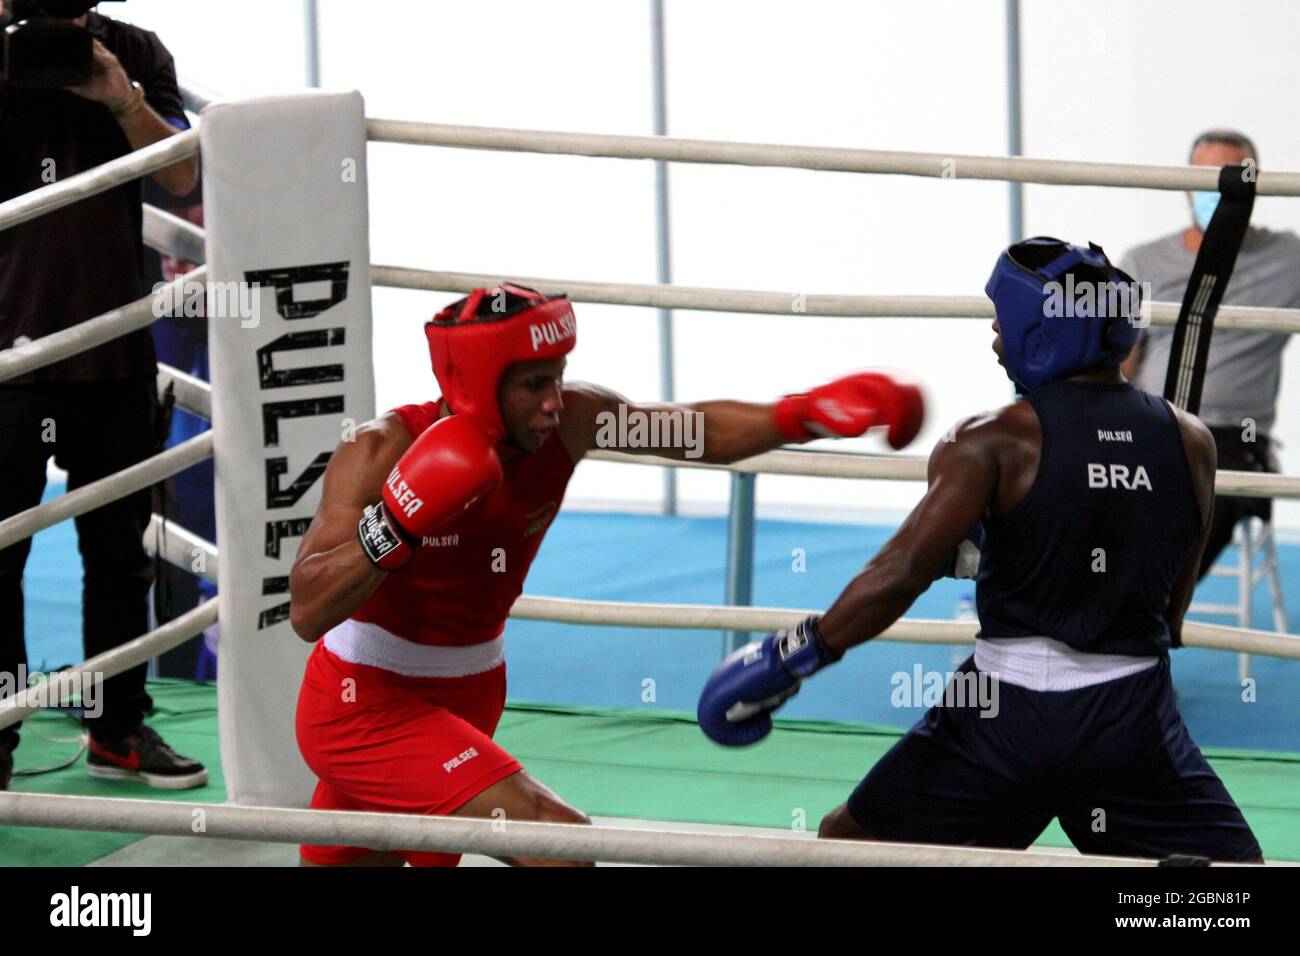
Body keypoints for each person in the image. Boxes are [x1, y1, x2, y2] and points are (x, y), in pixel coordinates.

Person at [289, 283, 925, 866]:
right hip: (363, 702)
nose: (552, 402)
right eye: (533, 384)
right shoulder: (380, 449)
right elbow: (307, 608)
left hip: (471, 690)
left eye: (558, 377)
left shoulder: (574, 419)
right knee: (561, 845)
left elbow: (692, 431)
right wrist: (395, 525)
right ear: (479, 385)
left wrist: (801, 414)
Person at [698, 238, 1263, 863]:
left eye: (1005, 318)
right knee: (1234, 893)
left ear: (1043, 332)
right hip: (1129, 722)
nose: (995, 331)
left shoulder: (989, 440)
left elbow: (898, 572)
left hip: (999, 717)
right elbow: (1169, 615)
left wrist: (796, 653)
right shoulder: (1193, 442)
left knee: (845, 850)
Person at [0, 3, 205, 791]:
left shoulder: (134, 49)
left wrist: (121, 98)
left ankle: (117, 728)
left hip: (112, 352)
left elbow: (183, 177)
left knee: (120, 558)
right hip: (8, 359)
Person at [1121, 130, 1300, 581]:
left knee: (1205, 488)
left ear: (1255, 188)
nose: (1219, 191)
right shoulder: (1143, 261)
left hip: (1232, 436)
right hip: (1147, 423)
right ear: (1185, 187)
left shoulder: (1289, 259)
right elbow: (1116, 360)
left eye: (1235, 179)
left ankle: (1144, 611)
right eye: (1206, 179)